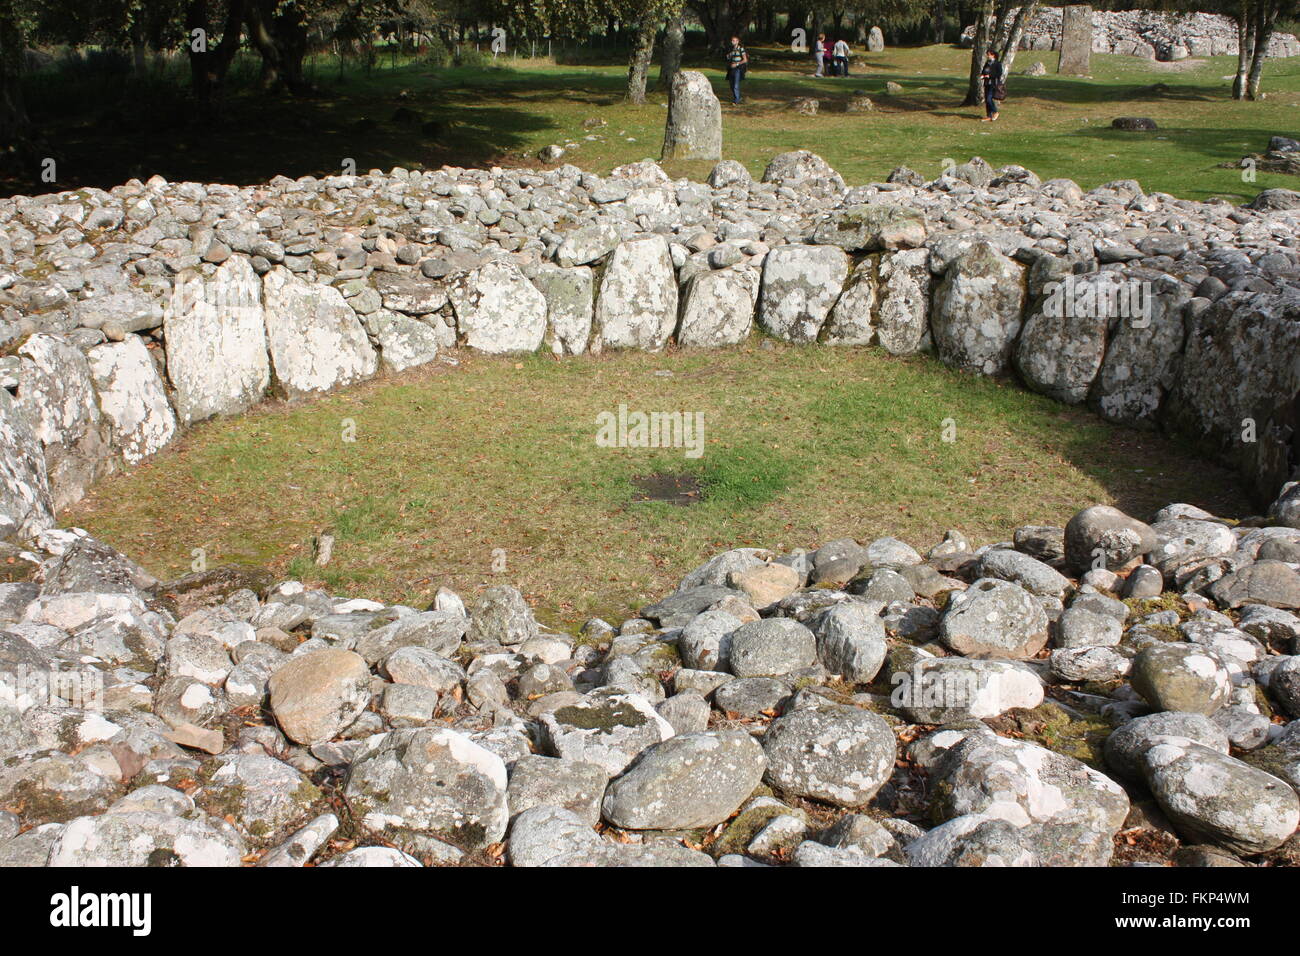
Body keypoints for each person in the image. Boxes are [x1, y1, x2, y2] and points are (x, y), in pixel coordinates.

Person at [980, 48, 1003, 121]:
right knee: (987, 100)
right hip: (987, 83)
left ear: (993, 55)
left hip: (993, 83)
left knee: (989, 99)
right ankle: (989, 115)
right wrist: (983, 75)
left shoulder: (997, 64)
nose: (987, 56)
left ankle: (995, 111)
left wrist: (990, 76)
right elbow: (984, 71)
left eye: (989, 55)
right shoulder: (987, 63)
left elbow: (999, 73)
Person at [725, 35, 748, 104]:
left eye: (734, 40)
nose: (732, 42)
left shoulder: (741, 49)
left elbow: (745, 60)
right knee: (731, 84)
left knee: (736, 84)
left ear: (738, 41)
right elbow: (727, 57)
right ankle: (737, 97)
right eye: (732, 40)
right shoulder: (731, 49)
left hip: (738, 69)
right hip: (731, 69)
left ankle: (736, 100)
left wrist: (737, 64)